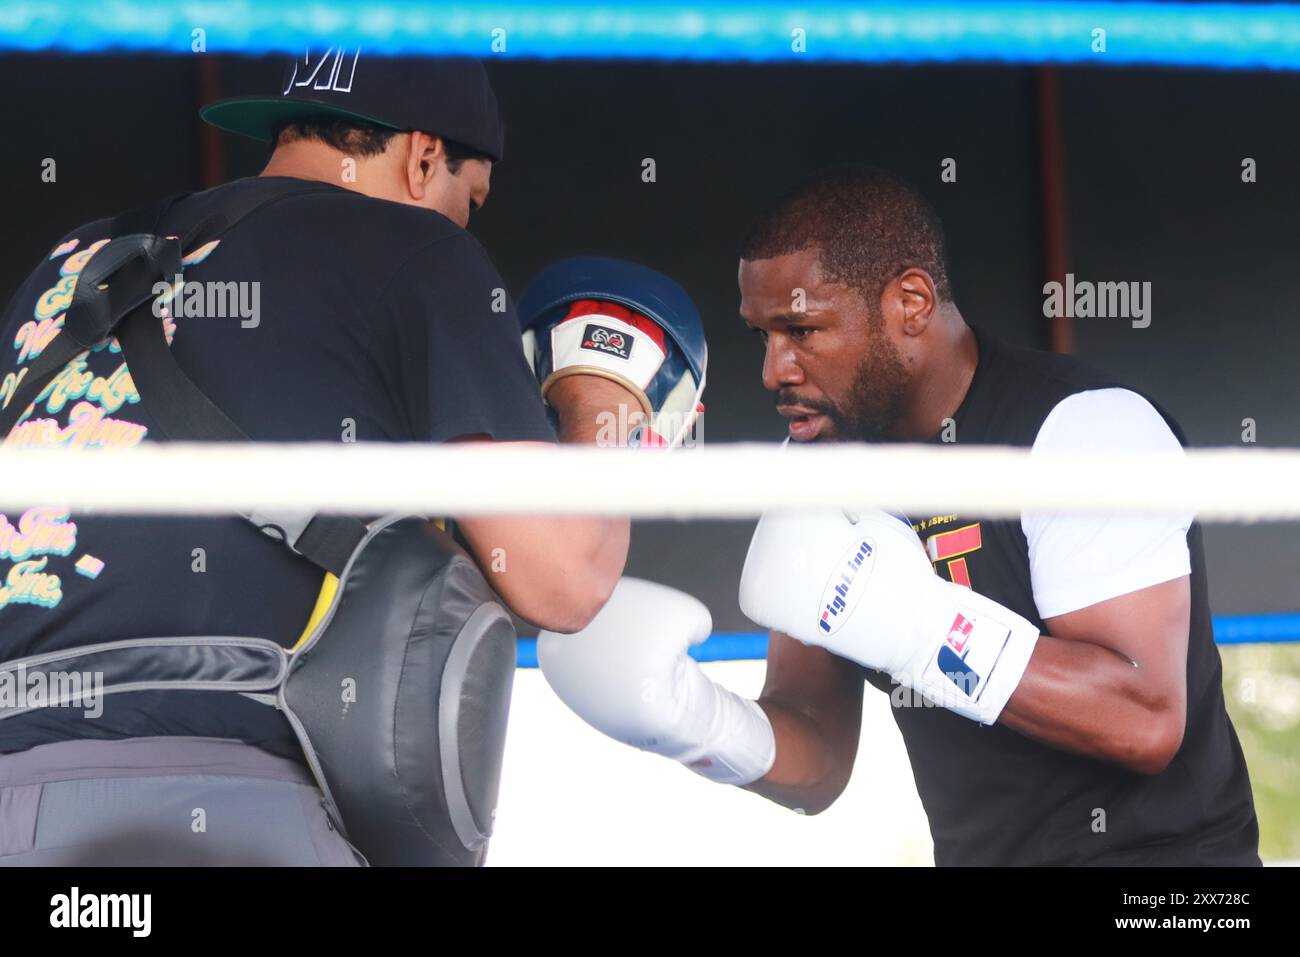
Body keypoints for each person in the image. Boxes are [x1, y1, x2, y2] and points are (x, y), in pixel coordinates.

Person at [0, 52, 649, 865]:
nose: (464, 225)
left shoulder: (73, 266)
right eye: (471, 200)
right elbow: (564, 577)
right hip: (210, 805)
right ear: (423, 158)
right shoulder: (415, 247)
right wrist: (607, 399)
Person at [538, 165, 1261, 866]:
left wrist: (921, 627)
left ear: (910, 304)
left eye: (802, 330)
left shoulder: (1080, 430)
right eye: (763, 335)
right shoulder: (820, 470)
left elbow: (1145, 717)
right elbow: (819, 756)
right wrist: (694, 720)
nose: (773, 370)